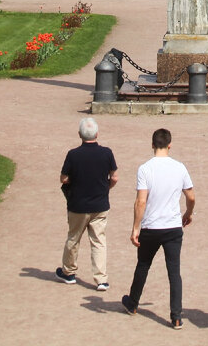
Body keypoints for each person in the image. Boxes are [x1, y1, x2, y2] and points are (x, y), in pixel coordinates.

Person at [122, 128, 195, 329]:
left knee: (143, 265)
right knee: (174, 272)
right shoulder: (179, 167)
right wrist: (188, 214)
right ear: (170, 145)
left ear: (152, 144)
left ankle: (133, 303)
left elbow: (140, 201)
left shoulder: (145, 168)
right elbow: (191, 196)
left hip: (151, 227)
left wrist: (135, 227)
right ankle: (177, 316)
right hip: (172, 226)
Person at [57, 117, 118, 290]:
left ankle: (69, 272)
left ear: (79, 135)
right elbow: (114, 177)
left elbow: (64, 178)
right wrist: (106, 188)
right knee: (98, 241)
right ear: (97, 134)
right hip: (100, 205)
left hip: (78, 205)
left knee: (73, 238)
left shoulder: (73, 154)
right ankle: (101, 279)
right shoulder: (107, 153)